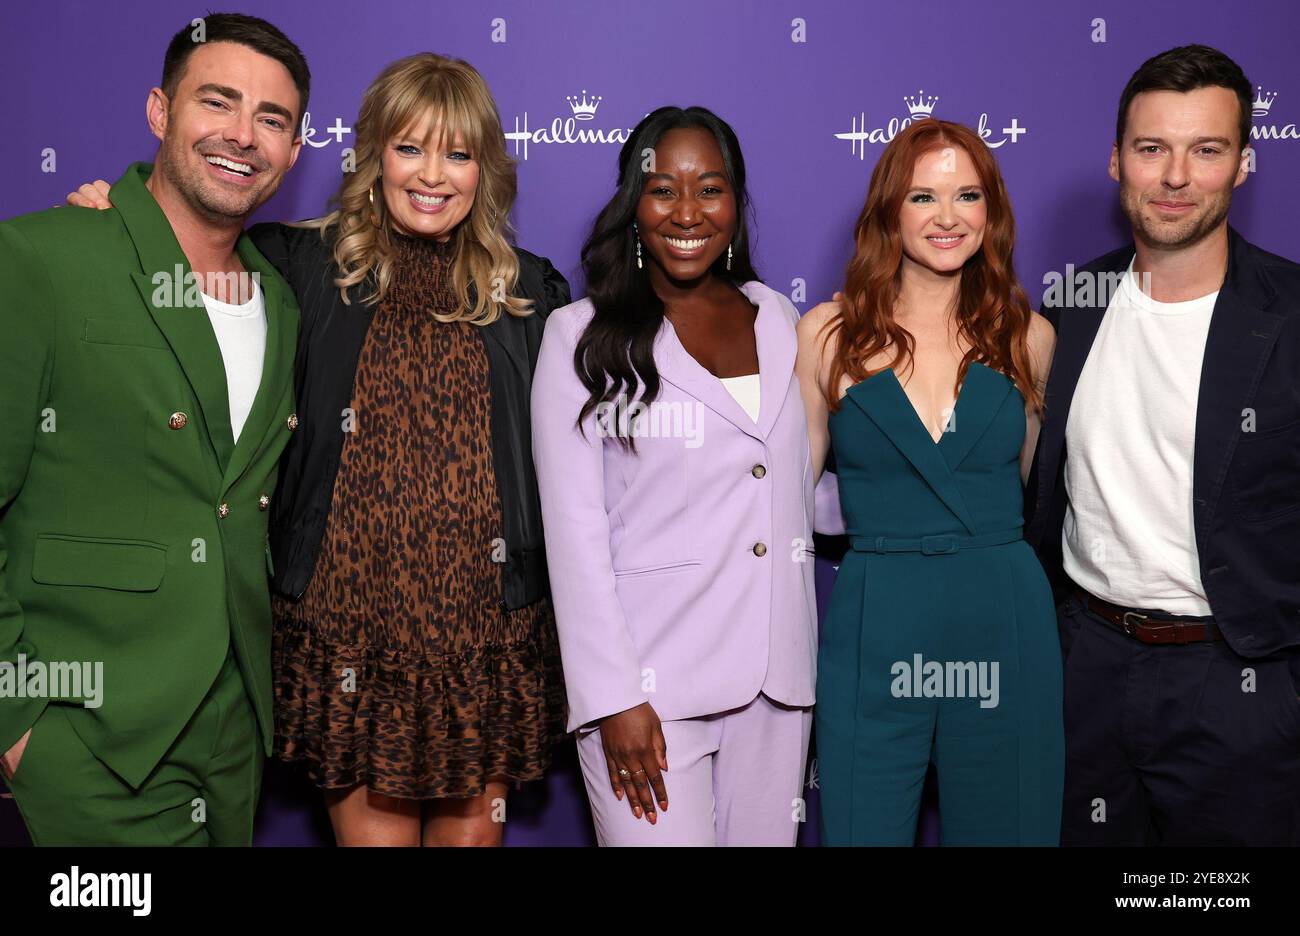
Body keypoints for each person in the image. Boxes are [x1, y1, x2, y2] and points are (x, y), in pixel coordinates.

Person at [68, 53, 571, 847]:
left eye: (458, 153)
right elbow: (177, 239)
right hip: (350, 629)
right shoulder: (296, 264)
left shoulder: (533, 291)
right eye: (410, 148)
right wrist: (106, 213)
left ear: (485, 169)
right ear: (375, 156)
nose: (432, 175)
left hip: (484, 633)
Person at [0, 13, 308, 845]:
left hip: (235, 739)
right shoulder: (45, 258)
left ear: (295, 146)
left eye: (272, 120)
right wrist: (18, 728)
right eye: (218, 102)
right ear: (160, 112)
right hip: (89, 741)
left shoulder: (281, 301)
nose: (244, 135)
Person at [1024, 44, 1300, 846]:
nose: (1176, 176)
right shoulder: (1070, 306)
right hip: (1088, 673)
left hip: (1243, 687)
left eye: (1206, 150)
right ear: (1117, 160)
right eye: (1153, 149)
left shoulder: (1291, 314)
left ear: (1244, 164)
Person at [531, 107, 817, 846]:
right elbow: (574, 539)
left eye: (711, 189)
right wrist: (613, 699)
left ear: (736, 203)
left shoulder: (780, 317)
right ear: (634, 204)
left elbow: (791, 483)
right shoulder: (581, 337)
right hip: (651, 696)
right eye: (663, 190)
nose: (688, 212)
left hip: (776, 688)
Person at [798, 118, 1062, 845]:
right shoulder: (827, 334)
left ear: (991, 212)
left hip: (1003, 616)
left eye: (967, 195)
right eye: (923, 197)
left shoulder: (1029, 338)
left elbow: (1038, 494)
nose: (948, 217)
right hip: (876, 619)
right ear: (890, 210)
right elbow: (783, 500)